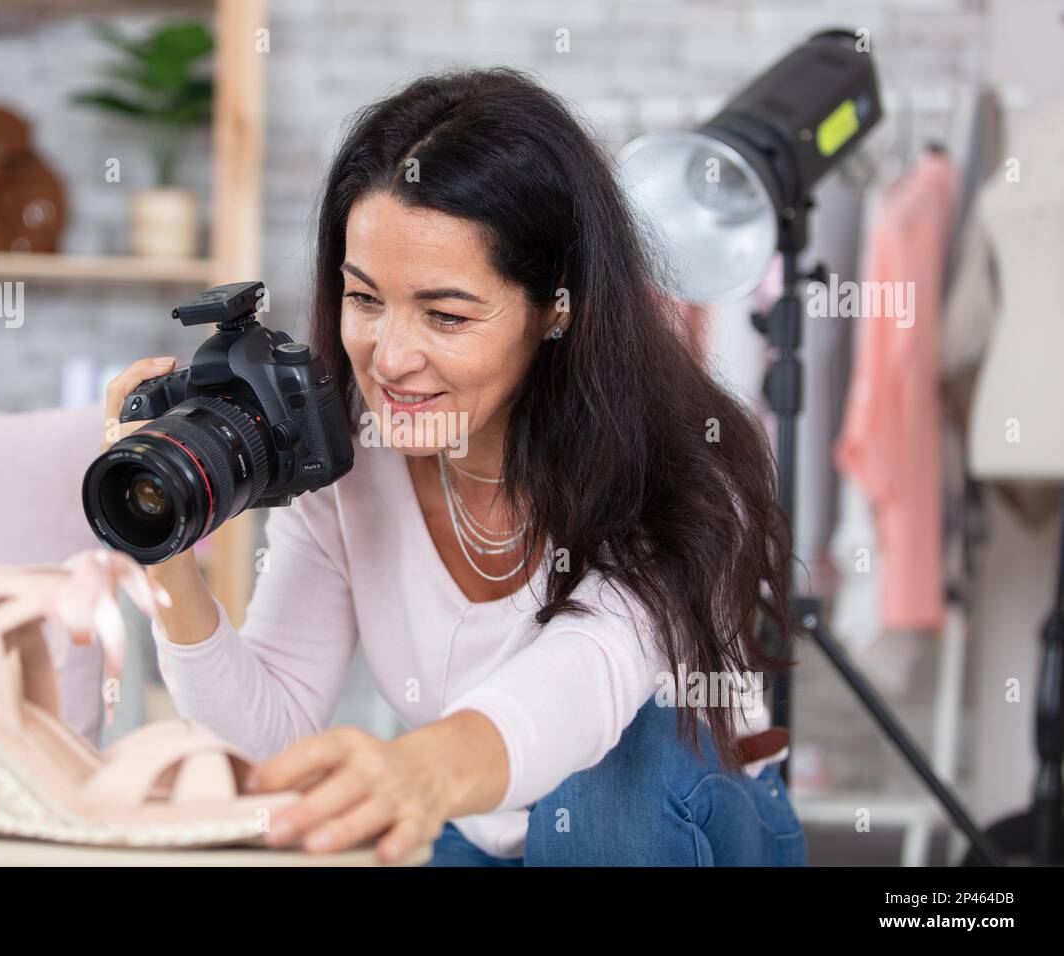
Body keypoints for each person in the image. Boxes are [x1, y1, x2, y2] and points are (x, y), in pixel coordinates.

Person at [103, 67, 806, 866]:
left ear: (557, 311)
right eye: (365, 299)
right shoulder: (347, 466)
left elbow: (588, 678)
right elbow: (273, 734)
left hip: (675, 822)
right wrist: (163, 545)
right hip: (483, 826)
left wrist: (420, 768)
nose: (391, 358)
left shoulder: (675, 467)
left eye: (445, 314)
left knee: (610, 784)